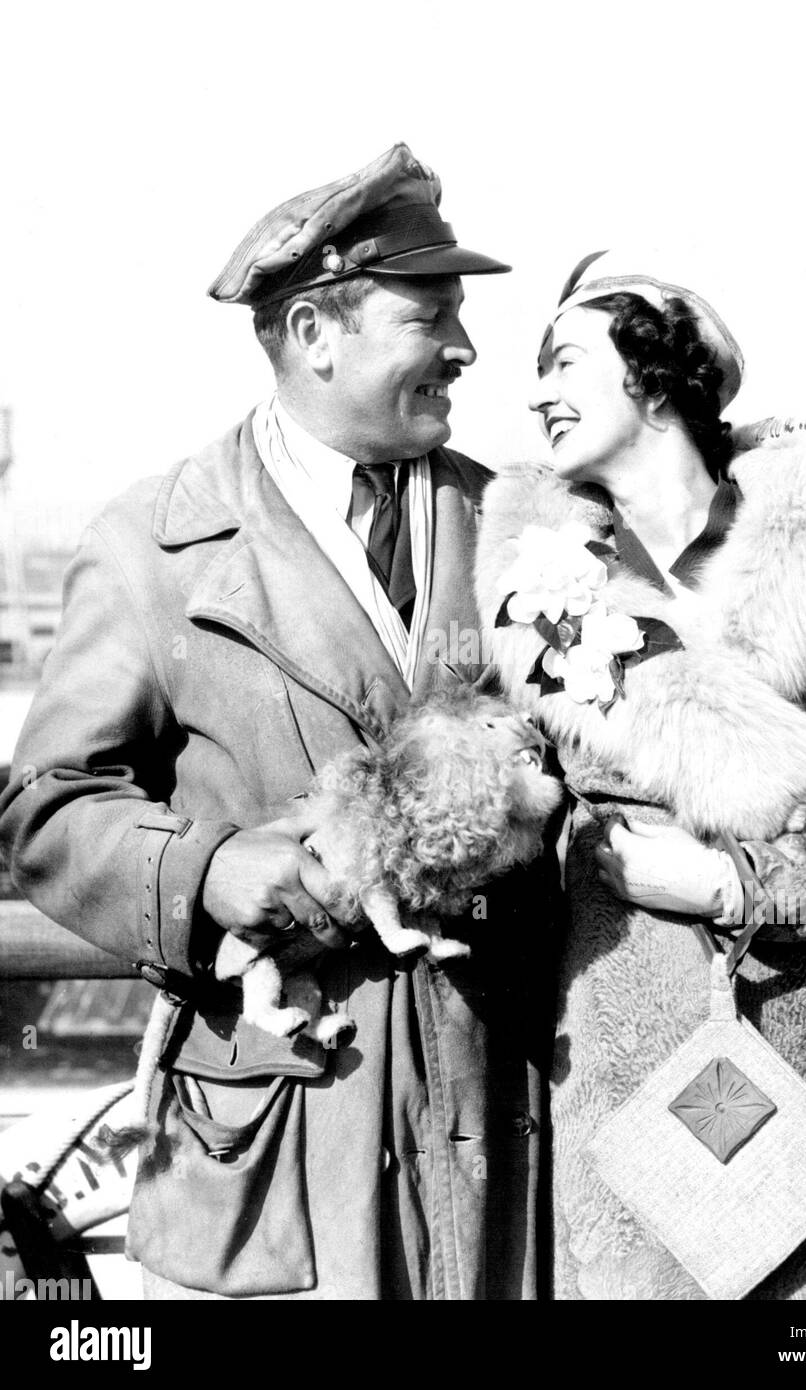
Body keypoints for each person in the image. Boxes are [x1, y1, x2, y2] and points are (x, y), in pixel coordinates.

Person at [0, 144, 558, 1301]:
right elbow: (47, 809)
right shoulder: (153, 544)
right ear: (314, 331)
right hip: (282, 1124)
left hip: (493, 1117)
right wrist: (204, 871)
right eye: (429, 313)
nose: (463, 347)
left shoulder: (515, 524)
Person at [475, 250, 806, 1300]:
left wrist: (738, 885)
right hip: (617, 1045)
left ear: (651, 377)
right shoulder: (532, 588)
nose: (536, 393)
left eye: (565, 361)